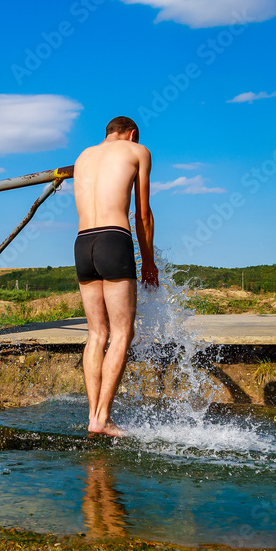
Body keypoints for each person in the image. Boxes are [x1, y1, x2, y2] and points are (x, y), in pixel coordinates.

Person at [73, 116, 158, 437]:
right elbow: (143, 213)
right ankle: (103, 418)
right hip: (113, 238)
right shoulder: (138, 151)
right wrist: (148, 261)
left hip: (83, 243)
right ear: (131, 134)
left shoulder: (83, 156)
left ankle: (92, 416)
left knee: (96, 334)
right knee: (122, 333)